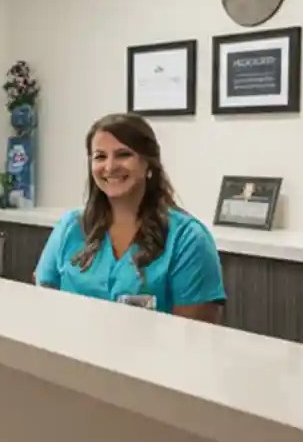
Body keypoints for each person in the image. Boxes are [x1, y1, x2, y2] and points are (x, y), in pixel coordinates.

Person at [34, 113, 226, 322]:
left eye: (123, 154)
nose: (110, 167)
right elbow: (44, 307)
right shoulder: (70, 227)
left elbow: (195, 339)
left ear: (149, 164)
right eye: (100, 156)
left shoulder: (187, 239)